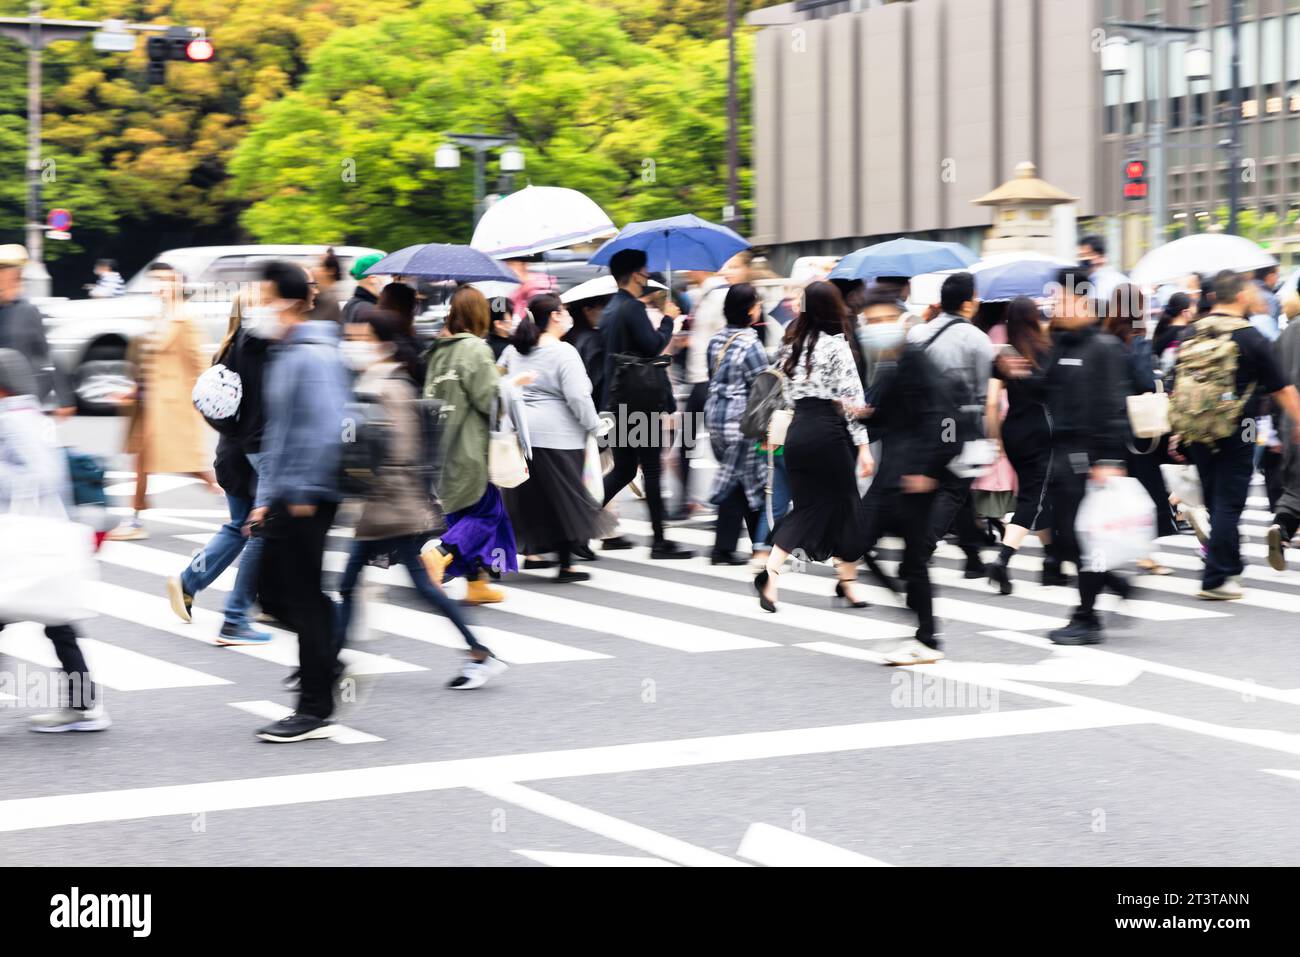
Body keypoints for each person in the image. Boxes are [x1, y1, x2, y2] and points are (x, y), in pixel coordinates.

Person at [335, 308, 506, 689]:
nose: (354, 346)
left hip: (390, 509)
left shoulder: (390, 387)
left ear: (383, 343)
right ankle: (480, 653)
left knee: (356, 585)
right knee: (418, 587)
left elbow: (399, 453)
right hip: (388, 508)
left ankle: (326, 663)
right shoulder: (376, 381)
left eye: (362, 339)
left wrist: (366, 490)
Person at [244, 262, 350, 742]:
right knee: (272, 593)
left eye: (265, 297)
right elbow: (280, 433)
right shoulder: (287, 352)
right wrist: (265, 499)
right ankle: (328, 660)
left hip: (309, 494)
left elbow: (325, 429)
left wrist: (303, 493)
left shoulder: (313, 355)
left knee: (300, 596)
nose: (260, 306)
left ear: (286, 301)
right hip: (289, 491)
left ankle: (313, 710)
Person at [1172, 270, 1300, 600]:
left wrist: (1177, 430)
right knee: (1230, 503)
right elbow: (1283, 388)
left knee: (1218, 500)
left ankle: (1231, 565)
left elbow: (1177, 385)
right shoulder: (1250, 337)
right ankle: (1215, 579)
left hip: (1196, 428)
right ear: (1240, 296)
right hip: (1239, 429)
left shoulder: (1192, 332)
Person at [0, 349, 109, 732]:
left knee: (57, 624)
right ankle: (84, 707)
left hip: (26, 540)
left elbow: (41, 476)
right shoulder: (27, 415)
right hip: (35, 539)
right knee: (58, 624)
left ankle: (84, 708)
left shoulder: (14, 421)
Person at [754, 281, 873, 612]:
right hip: (828, 434)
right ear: (832, 308)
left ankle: (772, 574)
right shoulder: (837, 346)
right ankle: (849, 585)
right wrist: (863, 448)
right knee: (847, 505)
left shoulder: (791, 346)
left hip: (798, 432)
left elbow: (786, 394)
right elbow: (852, 402)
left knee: (809, 508)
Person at [166, 292, 274, 643]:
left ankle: (189, 581)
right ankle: (237, 615)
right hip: (252, 454)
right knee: (259, 528)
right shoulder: (257, 348)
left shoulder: (224, 351)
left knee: (238, 527)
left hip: (230, 454)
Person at [852, 291, 953, 663]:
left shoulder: (915, 359)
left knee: (910, 559)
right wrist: (862, 414)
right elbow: (892, 415)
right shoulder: (891, 362)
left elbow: (946, 419)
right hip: (893, 472)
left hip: (913, 478)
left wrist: (929, 470)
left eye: (883, 320)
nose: (877, 328)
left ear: (901, 320)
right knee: (858, 541)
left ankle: (926, 637)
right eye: (870, 322)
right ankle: (915, 615)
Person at [1040, 268, 1134, 645]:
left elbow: (1113, 407)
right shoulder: (1062, 344)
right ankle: (1110, 580)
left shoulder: (1104, 348)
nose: (1053, 305)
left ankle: (1087, 617)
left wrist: (1109, 461)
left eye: (1059, 298)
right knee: (1063, 541)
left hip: (1090, 458)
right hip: (1060, 455)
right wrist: (1015, 376)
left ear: (1081, 300)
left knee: (1084, 542)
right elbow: (1045, 390)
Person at [498, 294, 613, 582]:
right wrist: (595, 425)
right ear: (554, 317)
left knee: (534, 498)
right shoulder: (564, 352)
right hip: (561, 435)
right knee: (566, 500)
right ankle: (566, 565)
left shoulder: (515, 349)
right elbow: (577, 396)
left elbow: (498, 378)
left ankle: (531, 553)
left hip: (524, 432)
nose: (568, 315)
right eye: (564, 310)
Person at [108, 262, 219, 541]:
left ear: (179, 286)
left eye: (167, 281)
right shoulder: (158, 317)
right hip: (149, 404)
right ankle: (135, 517)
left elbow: (199, 362)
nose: (160, 286)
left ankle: (228, 495)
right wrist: (133, 390)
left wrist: (203, 398)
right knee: (144, 460)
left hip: (172, 404)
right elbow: (147, 363)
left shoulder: (185, 319)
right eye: (157, 280)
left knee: (186, 463)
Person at [421, 286, 519, 602]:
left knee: (464, 513)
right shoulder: (476, 349)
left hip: (441, 445)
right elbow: (489, 401)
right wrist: (507, 386)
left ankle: (476, 583)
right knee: (487, 512)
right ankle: (442, 550)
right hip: (470, 447)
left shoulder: (439, 350)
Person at [597, 248, 693, 559]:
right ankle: (660, 542)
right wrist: (668, 320)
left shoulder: (610, 309)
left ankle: (573, 523)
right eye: (645, 270)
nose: (647, 274)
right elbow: (652, 346)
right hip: (640, 400)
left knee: (624, 469)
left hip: (618, 397)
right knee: (651, 468)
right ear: (637, 273)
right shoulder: (632, 309)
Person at [906, 272, 997, 577]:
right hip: (959, 422)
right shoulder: (977, 339)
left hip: (923, 421)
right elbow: (983, 391)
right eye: (975, 295)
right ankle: (919, 551)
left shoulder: (918, 334)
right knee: (954, 486)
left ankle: (973, 557)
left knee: (958, 486)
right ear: (967, 302)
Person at [984, 297, 1065, 594]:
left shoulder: (1004, 356)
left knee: (1036, 492)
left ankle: (1052, 560)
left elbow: (992, 403)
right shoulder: (1047, 351)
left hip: (1013, 431)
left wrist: (996, 440)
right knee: (1033, 496)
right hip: (1042, 430)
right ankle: (1002, 561)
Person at [1106, 284, 1178, 552]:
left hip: (1108, 425)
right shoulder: (1137, 341)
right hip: (1137, 426)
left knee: (1119, 488)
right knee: (1147, 487)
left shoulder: (1103, 338)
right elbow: (1145, 381)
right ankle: (1145, 551)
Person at [704, 283, 769, 565]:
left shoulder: (716, 340)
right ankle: (727, 549)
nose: (759, 308)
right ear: (749, 309)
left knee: (742, 480)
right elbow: (763, 389)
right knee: (742, 482)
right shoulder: (751, 344)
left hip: (716, 418)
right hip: (740, 422)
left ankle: (756, 545)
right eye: (757, 304)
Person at [0, 244, 75, 415]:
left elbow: (45, 354)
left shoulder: (27, 312)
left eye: (2, 273)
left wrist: (65, 398)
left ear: (15, 276)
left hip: (20, 404)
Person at [1267, 304, 1300, 571]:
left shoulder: (1287, 332)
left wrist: (1277, 429)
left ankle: (1282, 528)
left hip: (1291, 419)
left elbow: (1273, 384)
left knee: (1294, 486)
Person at [561, 290, 610, 406]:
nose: (605, 313)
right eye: (602, 308)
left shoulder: (568, 335)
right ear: (587, 310)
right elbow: (597, 380)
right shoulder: (593, 339)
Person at [1077, 234, 1128, 305]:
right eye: (1081, 256)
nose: (1083, 259)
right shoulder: (1080, 282)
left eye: (1088, 254)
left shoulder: (1119, 282)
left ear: (1101, 256)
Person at [341, 253, 385, 325]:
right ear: (372, 278)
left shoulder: (352, 305)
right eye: (386, 273)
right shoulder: (368, 310)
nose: (391, 278)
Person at [307, 248, 344, 323]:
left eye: (319, 265)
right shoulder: (317, 296)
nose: (313, 269)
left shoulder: (329, 301)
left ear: (331, 271)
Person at [487, 295, 515, 361]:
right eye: (511, 315)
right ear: (499, 324)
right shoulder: (505, 350)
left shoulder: (486, 343)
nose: (514, 319)